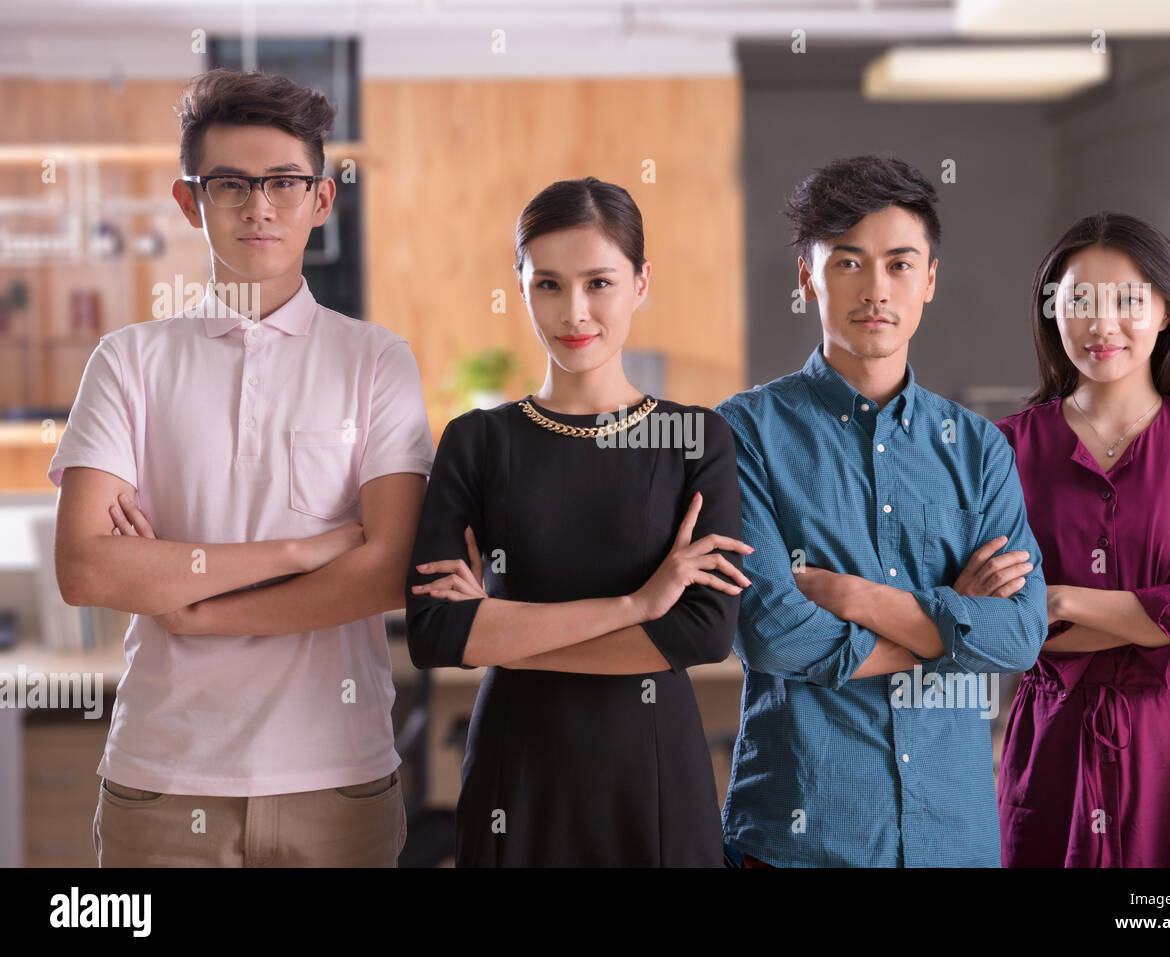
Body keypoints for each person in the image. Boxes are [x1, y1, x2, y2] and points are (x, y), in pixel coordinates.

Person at [49, 69, 433, 866]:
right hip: (161, 780)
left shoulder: (377, 362)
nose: (259, 207)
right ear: (190, 202)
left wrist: (197, 607)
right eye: (230, 184)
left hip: (338, 782)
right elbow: (87, 568)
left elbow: (390, 567)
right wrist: (304, 550)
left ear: (321, 201)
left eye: (284, 182)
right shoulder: (127, 361)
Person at [405, 176, 749, 867]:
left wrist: (498, 635)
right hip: (518, 770)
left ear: (641, 283)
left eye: (599, 283)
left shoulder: (695, 438)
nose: (575, 311)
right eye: (549, 285)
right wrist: (636, 606)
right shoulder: (477, 441)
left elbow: (703, 633)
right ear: (521, 285)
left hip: (651, 772)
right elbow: (436, 632)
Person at [714, 155, 1047, 867]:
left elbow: (1020, 635)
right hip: (805, 838)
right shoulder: (743, 432)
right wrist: (950, 625)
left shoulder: (979, 448)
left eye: (900, 264)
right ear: (807, 277)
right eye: (848, 263)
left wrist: (854, 597)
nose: (876, 290)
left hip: (953, 838)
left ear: (930, 279)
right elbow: (772, 633)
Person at [995, 211, 1170, 867]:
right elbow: (998, 622)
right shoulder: (1003, 449)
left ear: (1166, 310)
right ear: (1052, 312)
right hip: (1054, 745)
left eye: (1127, 299)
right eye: (1079, 302)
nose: (1103, 324)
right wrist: (1162, 623)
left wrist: (1062, 602)